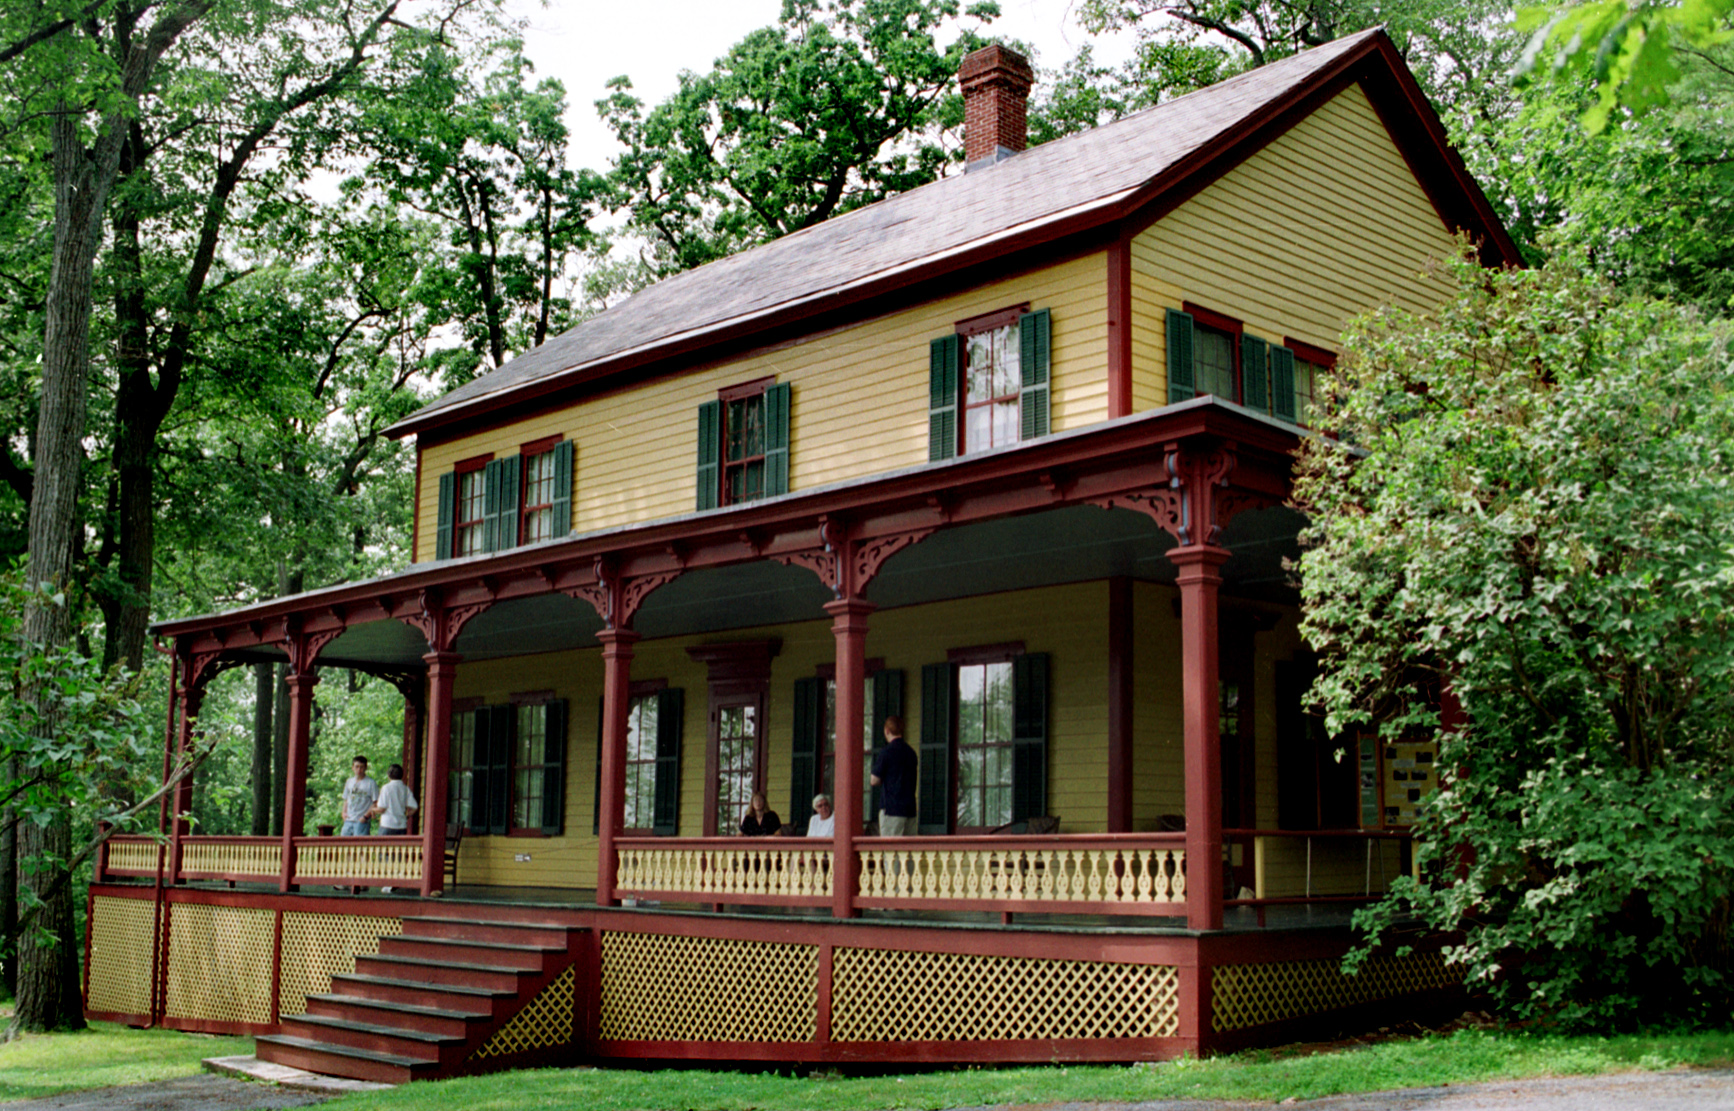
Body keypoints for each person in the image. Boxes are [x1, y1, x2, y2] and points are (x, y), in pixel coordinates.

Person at [869, 715, 918, 835]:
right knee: (909, 851)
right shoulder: (911, 753)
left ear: (887, 731)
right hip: (910, 808)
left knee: (891, 850)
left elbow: (874, 780)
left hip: (892, 809)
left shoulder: (886, 752)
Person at [371, 764, 418, 836]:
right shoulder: (405, 788)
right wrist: (406, 816)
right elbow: (414, 807)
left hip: (387, 825)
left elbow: (382, 809)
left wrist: (373, 809)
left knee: (384, 847)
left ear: (389, 775)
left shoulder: (386, 788)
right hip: (401, 826)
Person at [340, 756, 377, 837]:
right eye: (357, 767)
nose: (359, 770)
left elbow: (375, 802)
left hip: (361, 821)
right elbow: (346, 799)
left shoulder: (371, 783)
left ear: (365, 768)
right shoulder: (349, 782)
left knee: (360, 847)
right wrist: (343, 813)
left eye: (361, 767)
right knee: (343, 845)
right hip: (348, 820)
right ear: (352, 767)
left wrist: (365, 817)